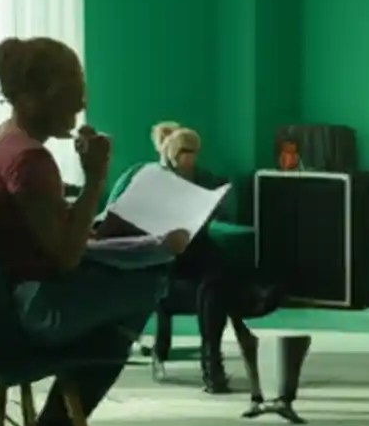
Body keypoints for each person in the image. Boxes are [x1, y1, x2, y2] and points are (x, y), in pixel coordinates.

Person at [0, 37, 188, 426]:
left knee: (123, 287)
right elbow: (64, 260)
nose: (82, 104)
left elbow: (47, 240)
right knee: (148, 285)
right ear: (34, 94)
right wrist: (97, 176)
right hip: (17, 317)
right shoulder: (31, 161)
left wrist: (92, 231)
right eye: (73, 89)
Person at [107, 123, 264, 395]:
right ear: (172, 152)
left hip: (196, 245)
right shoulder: (153, 177)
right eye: (183, 151)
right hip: (164, 251)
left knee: (214, 278)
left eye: (193, 151)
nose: (189, 157)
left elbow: (219, 207)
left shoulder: (204, 177)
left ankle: (211, 362)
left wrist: (217, 203)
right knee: (208, 281)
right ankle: (212, 362)